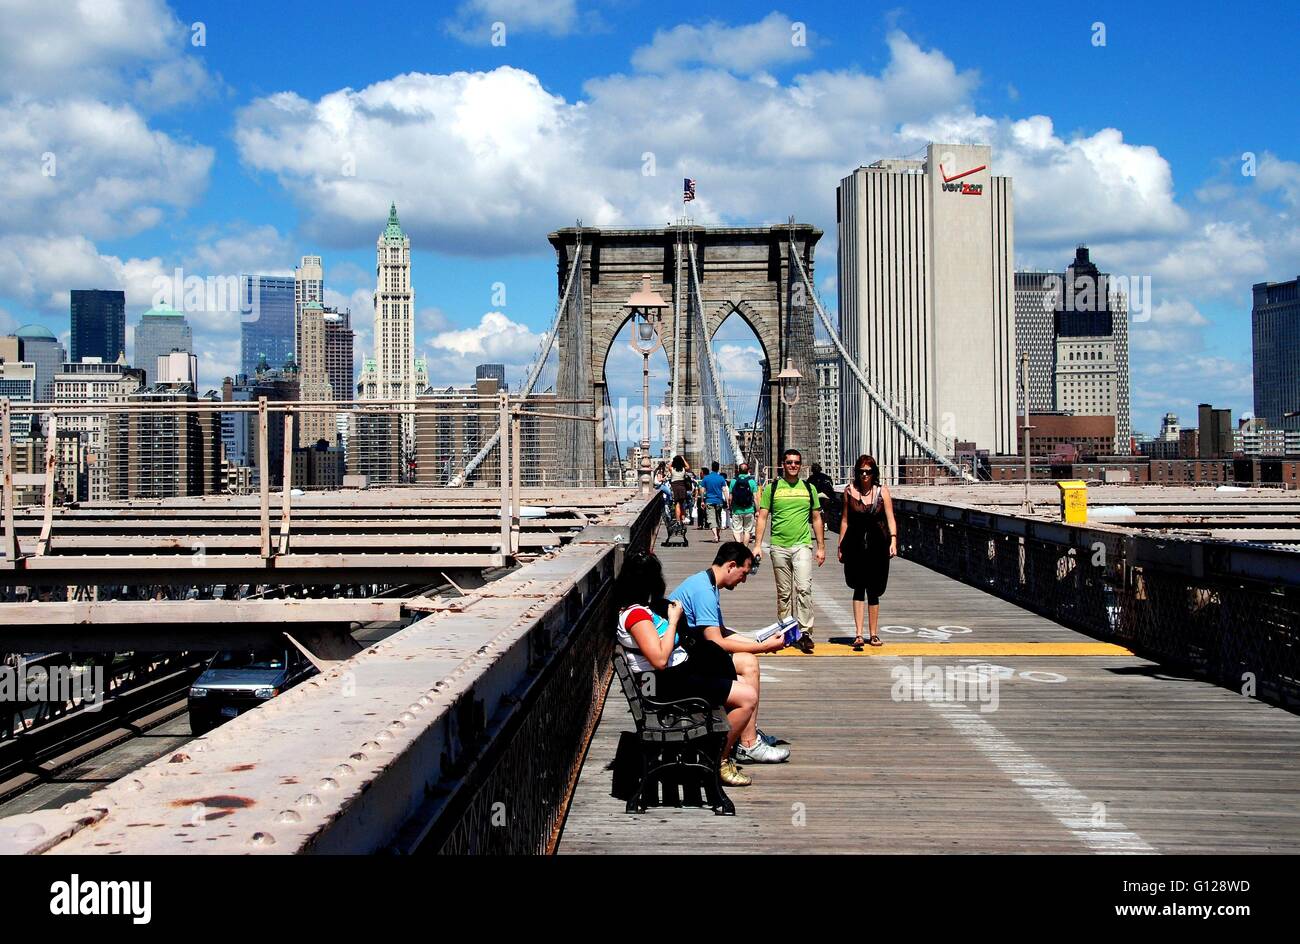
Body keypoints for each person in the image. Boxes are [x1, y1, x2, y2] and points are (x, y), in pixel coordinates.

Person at [614, 551, 758, 787]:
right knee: (748, 698)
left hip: (671, 678)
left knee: (737, 681)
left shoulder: (636, 610)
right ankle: (718, 761)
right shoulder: (636, 616)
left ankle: (718, 752)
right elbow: (659, 660)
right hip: (666, 685)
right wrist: (672, 620)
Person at [669, 542, 790, 781]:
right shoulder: (704, 590)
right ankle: (748, 743)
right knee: (749, 663)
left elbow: (721, 632)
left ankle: (749, 738)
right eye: (744, 573)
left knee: (748, 660)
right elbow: (718, 642)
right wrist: (764, 647)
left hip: (691, 654)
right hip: (685, 665)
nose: (743, 580)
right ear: (731, 566)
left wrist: (758, 639)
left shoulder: (706, 583)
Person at [752, 448, 825, 654]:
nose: (793, 465)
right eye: (789, 462)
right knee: (784, 593)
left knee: (803, 588)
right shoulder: (772, 488)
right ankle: (786, 630)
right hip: (779, 547)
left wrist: (820, 547)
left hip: (802, 545)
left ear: (801, 465)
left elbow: (817, 518)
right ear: (783, 464)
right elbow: (762, 517)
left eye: (797, 463)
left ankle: (805, 633)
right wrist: (757, 545)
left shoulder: (809, 488)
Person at [839, 455, 897, 649]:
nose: (865, 475)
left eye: (868, 472)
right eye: (861, 471)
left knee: (874, 590)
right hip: (855, 545)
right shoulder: (848, 491)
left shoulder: (882, 492)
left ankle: (873, 634)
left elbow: (890, 518)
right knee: (858, 587)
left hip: (877, 545)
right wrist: (840, 546)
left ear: (874, 473)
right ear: (857, 472)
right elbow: (845, 520)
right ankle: (858, 634)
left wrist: (894, 540)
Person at [728, 462, 759, 545]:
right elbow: (755, 498)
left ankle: (739, 546)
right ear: (748, 470)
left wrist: (730, 507)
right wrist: (757, 510)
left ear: (738, 470)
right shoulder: (751, 481)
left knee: (736, 530)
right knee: (747, 531)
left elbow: (730, 497)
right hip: (749, 510)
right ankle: (744, 549)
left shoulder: (733, 481)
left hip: (736, 509)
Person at [808, 462, 840, 534]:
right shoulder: (826, 477)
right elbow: (831, 488)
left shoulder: (811, 478)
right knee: (827, 510)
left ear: (812, 470)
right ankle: (825, 523)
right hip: (826, 496)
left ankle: (816, 522)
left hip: (816, 496)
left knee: (814, 508)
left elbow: (809, 490)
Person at [700, 461, 729, 542]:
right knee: (718, 518)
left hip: (709, 500)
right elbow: (724, 490)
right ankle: (717, 534)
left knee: (711, 519)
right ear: (718, 468)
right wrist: (727, 501)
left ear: (711, 468)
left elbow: (702, 490)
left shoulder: (706, 478)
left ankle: (715, 536)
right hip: (719, 501)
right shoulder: (721, 478)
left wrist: (702, 500)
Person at [668, 455, 691, 524]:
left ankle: (678, 521)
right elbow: (688, 467)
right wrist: (683, 459)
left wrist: (674, 460)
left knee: (677, 504)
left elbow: (669, 466)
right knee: (682, 504)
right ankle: (683, 519)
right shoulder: (683, 469)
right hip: (682, 487)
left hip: (675, 487)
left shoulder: (672, 469)